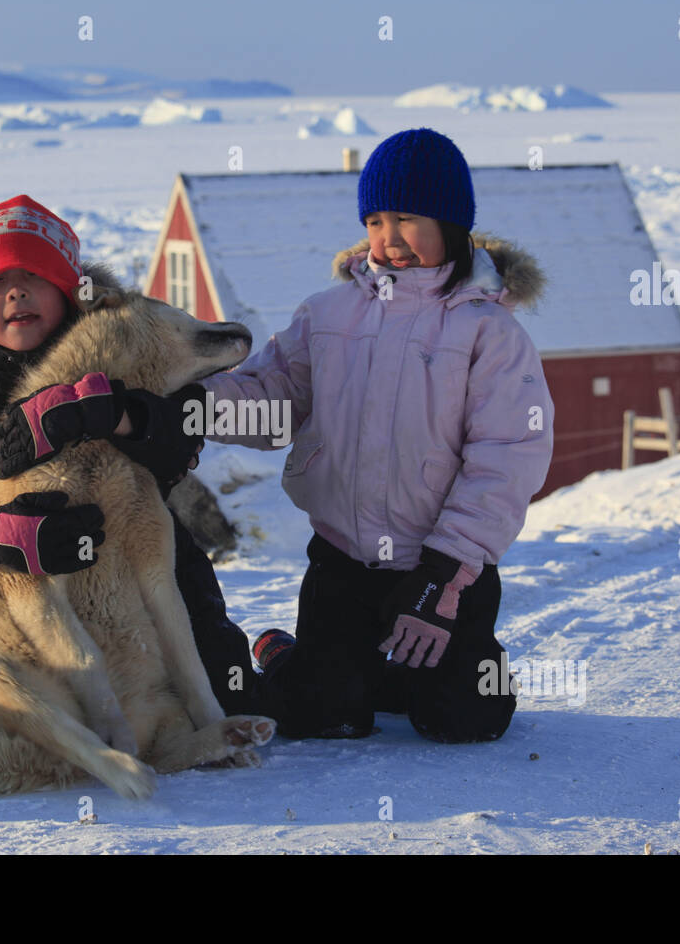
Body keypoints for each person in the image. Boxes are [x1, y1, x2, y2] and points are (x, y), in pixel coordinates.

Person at [197, 128, 554, 742]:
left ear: (451, 223)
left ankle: (453, 667)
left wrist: (443, 584)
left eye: (408, 218)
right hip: (342, 560)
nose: (389, 237)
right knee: (321, 714)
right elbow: (271, 399)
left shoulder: (488, 333)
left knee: (464, 722)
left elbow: (506, 456)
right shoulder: (328, 315)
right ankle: (297, 659)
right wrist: (189, 405)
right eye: (376, 219)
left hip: (442, 566)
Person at [0, 194, 259, 716]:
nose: (15, 294)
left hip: (144, 565)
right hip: (36, 584)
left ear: (68, 291)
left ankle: (267, 662)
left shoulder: (127, 347)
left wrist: (116, 414)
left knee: (234, 691)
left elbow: (183, 433)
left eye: (33, 277)